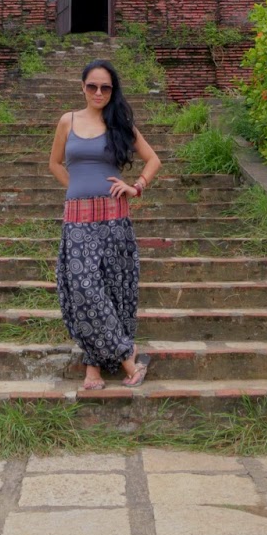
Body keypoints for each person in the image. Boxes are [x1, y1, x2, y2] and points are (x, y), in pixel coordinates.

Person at [48, 58, 162, 391]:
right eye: (92, 86)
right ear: (82, 87)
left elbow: (153, 159)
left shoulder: (119, 123)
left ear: (113, 90)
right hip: (78, 221)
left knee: (114, 292)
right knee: (83, 291)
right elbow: (54, 163)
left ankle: (93, 367)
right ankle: (129, 358)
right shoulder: (67, 121)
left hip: (114, 220)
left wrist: (136, 186)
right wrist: (75, 188)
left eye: (106, 87)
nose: (99, 92)